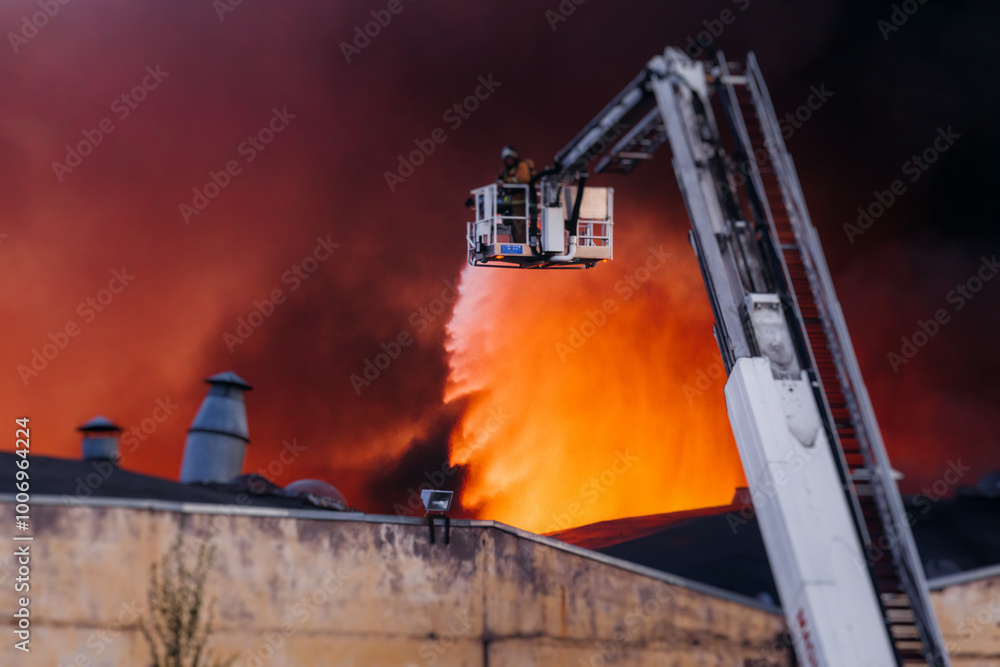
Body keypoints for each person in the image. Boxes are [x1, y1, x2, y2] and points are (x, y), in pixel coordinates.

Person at [496, 146, 535, 242]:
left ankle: (522, 246)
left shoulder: (522, 166)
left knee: (520, 226)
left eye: (511, 158)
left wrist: (505, 182)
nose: (509, 161)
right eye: (507, 159)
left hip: (520, 202)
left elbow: (523, 179)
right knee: (514, 226)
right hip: (511, 203)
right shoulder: (507, 170)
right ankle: (518, 244)